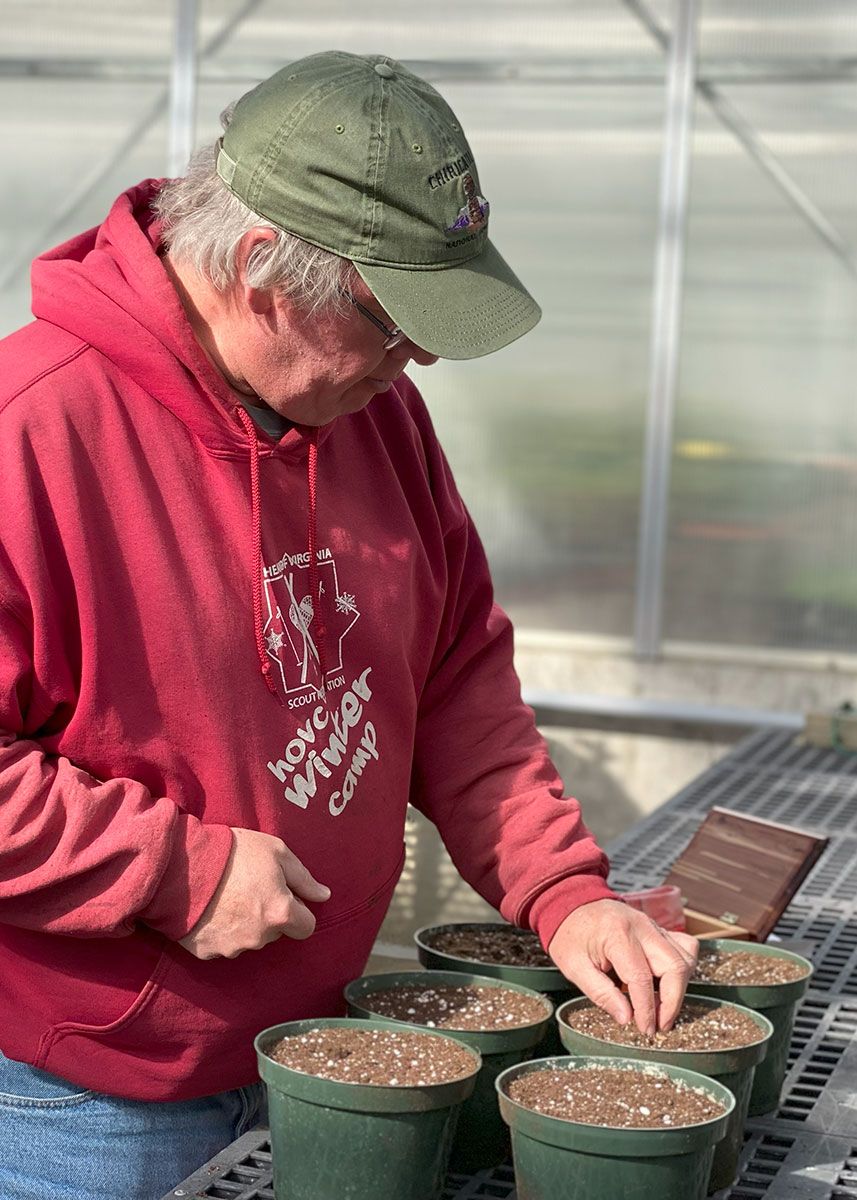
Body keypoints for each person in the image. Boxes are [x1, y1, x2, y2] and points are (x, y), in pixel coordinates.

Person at [0, 50, 698, 1200]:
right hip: (97, 1104)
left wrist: (562, 890)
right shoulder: (32, 432)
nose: (420, 355)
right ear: (262, 275)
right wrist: (173, 871)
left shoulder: (378, 420)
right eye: (392, 319)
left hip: (334, 1051)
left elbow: (456, 679)